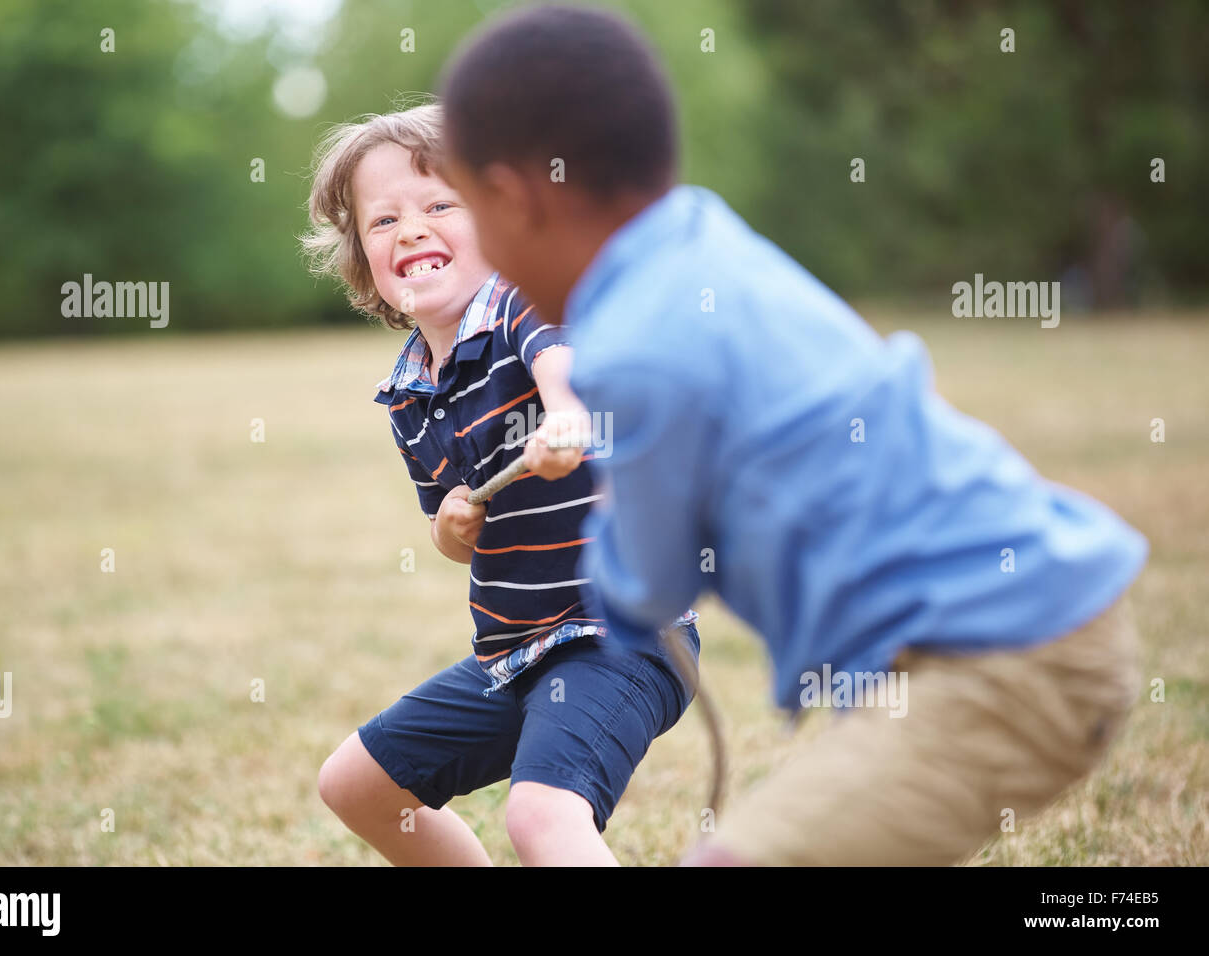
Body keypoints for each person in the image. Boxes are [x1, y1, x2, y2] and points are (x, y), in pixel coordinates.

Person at [437, 4, 1147, 865]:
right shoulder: (699, 239)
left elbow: (645, 590)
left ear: (515, 198)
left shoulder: (635, 347)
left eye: (471, 210)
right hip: (1023, 622)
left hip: (1009, 656)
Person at [301, 103, 701, 866]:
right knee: (356, 785)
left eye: (441, 206)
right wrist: (450, 529)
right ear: (363, 260)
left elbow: (566, 368)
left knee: (542, 818)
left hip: (615, 634)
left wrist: (566, 416)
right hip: (513, 653)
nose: (412, 230)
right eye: (383, 222)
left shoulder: (523, 305)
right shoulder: (409, 395)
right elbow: (451, 530)